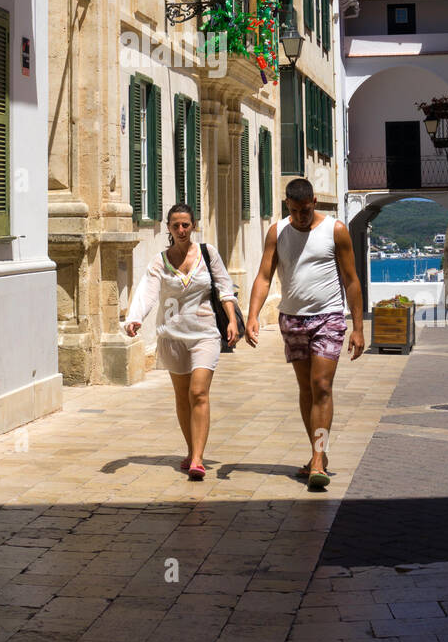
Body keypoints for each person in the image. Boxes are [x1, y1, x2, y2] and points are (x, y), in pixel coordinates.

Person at [246, 178, 364, 490]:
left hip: (328, 317)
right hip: (293, 320)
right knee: (306, 390)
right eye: (296, 210)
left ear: (314, 202)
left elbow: (351, 280)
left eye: (306, 209)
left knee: (321, 385)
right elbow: (263, 275)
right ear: (288, 205)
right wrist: (252, 315)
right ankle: (317, 453)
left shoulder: (335, 230)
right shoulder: (277, 231)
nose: (301, 216)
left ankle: (317, 458)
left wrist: (358, 327)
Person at [124, 203, 239, 481]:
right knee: (182, 397)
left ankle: (197, 459)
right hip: (172, 337)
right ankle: (191, 450)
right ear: (168, 228)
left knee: (198, 392)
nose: (181, 230)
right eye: (175, 225)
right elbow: (147, 292)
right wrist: (135, 317)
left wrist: (232, 320)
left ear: (194, 225)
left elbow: (225, 289)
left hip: (205, 334)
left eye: (186, 224)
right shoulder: (159, 261)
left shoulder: (207, 254)